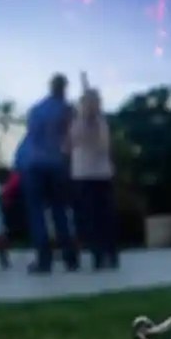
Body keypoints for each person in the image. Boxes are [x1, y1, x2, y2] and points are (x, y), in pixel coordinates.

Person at [17, 74, 79, 273]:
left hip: (33, 164)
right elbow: (71, 139)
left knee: (37, 213)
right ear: (65, 88)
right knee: (60, 211)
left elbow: (31, 136)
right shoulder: (69, 111)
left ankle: (44, 260)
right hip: (57, 164)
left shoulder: (37, 110)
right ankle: (70, 258)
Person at [69, 86, 119, 270]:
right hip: (83, 175)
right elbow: (71, 143)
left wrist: (93, 128)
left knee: (104, 218)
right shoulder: (77, 123)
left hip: (99, 175)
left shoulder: (101, 123)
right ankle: (98, 255)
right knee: (89, 219)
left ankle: (109, 254)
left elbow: (103, 147)